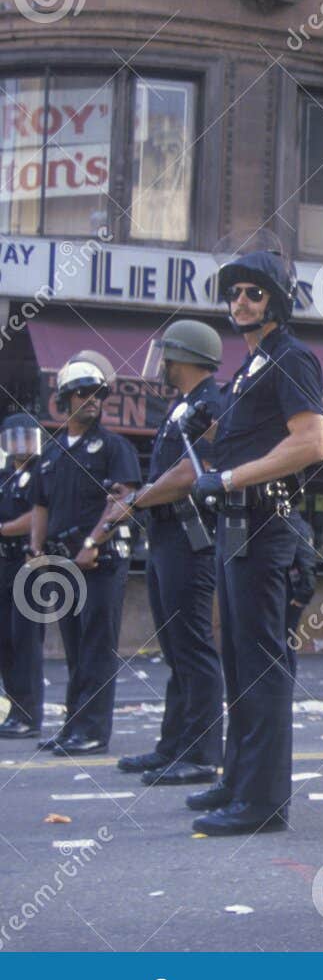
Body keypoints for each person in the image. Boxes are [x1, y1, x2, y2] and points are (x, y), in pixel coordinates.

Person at [187, 250, 323, 835]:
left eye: (252, 292)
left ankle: (264, 801)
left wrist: (228, 477)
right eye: (233, 293)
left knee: (263, 664)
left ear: (277, 299)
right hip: (237, 527)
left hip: (267, 527)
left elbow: (310, 442)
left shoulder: (293, 358)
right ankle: (241, 777)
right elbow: (253, 437)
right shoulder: (250, 367)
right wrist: (207, 430)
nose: (239, 302)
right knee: (240, 660)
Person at [108, 320, 226, 787]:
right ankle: (173, 746)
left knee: (193, 646)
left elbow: (190, 473)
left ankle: (201, 753)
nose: (163, 365)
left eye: (169, 355)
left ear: (186, 356)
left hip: (190, 538)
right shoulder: (183, 406)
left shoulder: (212, 405)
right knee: (176, 647)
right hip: (166, 536)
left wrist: (134, 501)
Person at [29, 355, 141, 757]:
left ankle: (92, 732)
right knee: (75, 650)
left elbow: (125, 498)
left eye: (96, 394)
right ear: (64, 400)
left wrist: (93, 543)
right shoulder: (53, 451)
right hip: (63, 563)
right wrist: (35, 550)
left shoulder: (114, 446)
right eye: (81, 393)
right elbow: (40, 504)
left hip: (100, 561)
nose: (90, 400)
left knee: (96, 647)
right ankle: (73, 725)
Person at [0, 414, 46, 739]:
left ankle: (29, 715)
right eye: (14, 438)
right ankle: (15, 710)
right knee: (6, 640)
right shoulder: (5, 476)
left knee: (26, 641)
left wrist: (3, 529)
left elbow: (37, 516)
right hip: (3, 564)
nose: (21, 445)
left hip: (26, 561)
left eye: (26, 438)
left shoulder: (42, 473)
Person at [284, 509, 318, 659]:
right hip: (293, 588)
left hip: (290, 590)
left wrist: (302, 595)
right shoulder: (301, 525)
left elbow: (306, 561)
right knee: (285, 640)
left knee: (284, 641)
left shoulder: (294, 525)